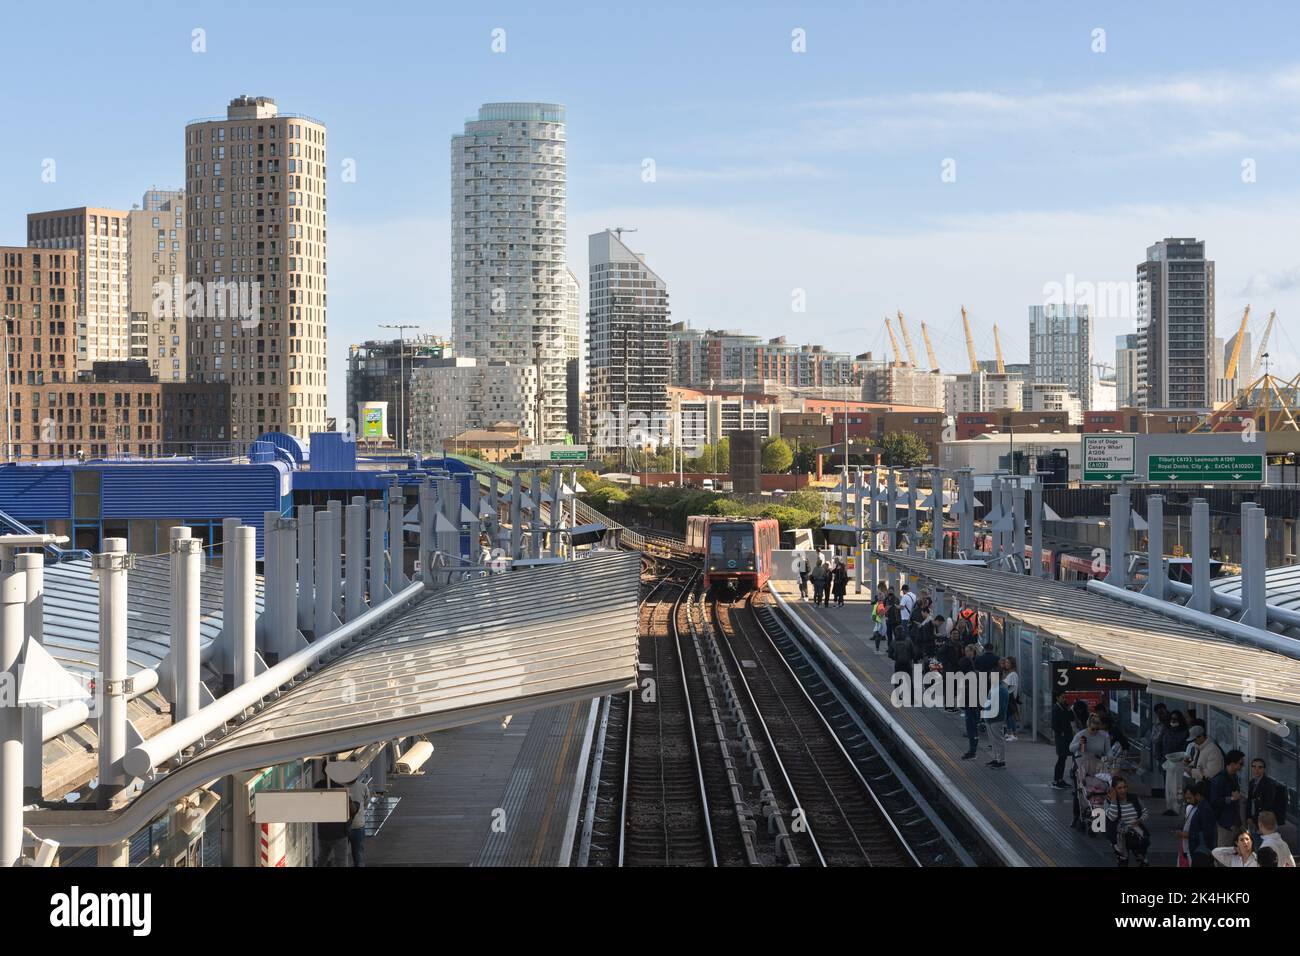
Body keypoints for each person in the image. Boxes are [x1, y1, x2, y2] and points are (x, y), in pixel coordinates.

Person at [1104, 775, 1151, 866]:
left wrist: (1139, 820)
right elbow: (1112, 817)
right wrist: (1113, 800)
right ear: (1114, 790)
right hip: (1119, 836)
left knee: (1142, 858)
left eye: (1125, 787)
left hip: (1135, 833)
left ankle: (1140, 858)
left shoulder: (1134, 798)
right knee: (1123, 861)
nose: (1123, 790)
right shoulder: (1108, 802)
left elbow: (1145, 813)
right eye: (1119, 788)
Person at [1209, 749, 1245, 848]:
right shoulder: (1219, 779)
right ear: (1232, 764)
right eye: (1240, 764)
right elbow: (1214, 801)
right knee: (1223, 851)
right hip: (1225, 824)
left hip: (1234, 822)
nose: (1242, 767)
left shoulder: (1233, 777)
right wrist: (1231, 798)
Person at [1158, 710, 1190, 815]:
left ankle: (1177, 808)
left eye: (1175, 719)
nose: (1173, 721)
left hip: (1178, 764)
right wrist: (1160, 758)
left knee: (1177, 787)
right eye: (1171, 719)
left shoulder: (1184, 732)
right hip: (1167, 763)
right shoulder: (1166, 730)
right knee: (1168, 787)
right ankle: (1169, 807)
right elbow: (1160, 743)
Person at [314, 779, 350, 867]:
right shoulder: (341, 789)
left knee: (322, 857)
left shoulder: (317, 786)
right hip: (339, 832)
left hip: (323, 832)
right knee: (341, 861)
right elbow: (349, 809)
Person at [1246, 757, 1285, 830]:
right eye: (1254, 767)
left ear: (1264, 769)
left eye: (1260, 767)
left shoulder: (1268, 784)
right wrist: (1248, 817)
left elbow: (1268, 805)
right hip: (1254, 818)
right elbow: (1249, 801)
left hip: (1264, 821)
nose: (1256, 770)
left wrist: (1258, 821)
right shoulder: (1252, 782)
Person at [1186, 780, 1218, 868]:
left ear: (1198, 795)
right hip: (1201, 849)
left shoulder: (1204, 809)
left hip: (1201, 851)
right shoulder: (1203, 807)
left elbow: (1207, 831)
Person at [959, 644, 981, 759]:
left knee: (971, 728)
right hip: (975, 703)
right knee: (973, 728)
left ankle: (972, 752)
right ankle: (972, 750)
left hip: (970, 704)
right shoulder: (976, 673)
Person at [1050, 690, 1074, 789]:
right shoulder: (1056, 708)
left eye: (1065, 697)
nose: (1064, 699)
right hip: (1061, 738)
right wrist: (1061, 732)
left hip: (1066, 737)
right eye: (1062, 697)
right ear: (1057, 698)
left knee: (1063, 758)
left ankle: (1059, 779)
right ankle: (1057, 779)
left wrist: (1069, 709)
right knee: (1061, 758)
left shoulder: (1063, 707)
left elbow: (1071, 718)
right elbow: (1054, 724)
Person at [984, 677, 1009, 769]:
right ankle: (996, 758)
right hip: (989, 717)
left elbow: (1000, 706)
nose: (990, 678)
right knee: (993, 741)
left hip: (996, 718)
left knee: (998, 740)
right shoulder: (994, 688)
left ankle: (1001, 761)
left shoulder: (1001, 690)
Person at [1175, 782, 1199, 867]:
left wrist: (1183, 834)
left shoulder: (1200, 810)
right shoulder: (1189, 807)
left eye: (1190, 797)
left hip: (1193, 846)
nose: (1188, 800)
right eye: (1187, 798)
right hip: (1185, 845)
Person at [347, 779, 368, 867]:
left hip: (344, 826)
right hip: (358, 824)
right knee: (358, 854)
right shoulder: (363, 787)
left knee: (342, 855)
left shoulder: (341, 787)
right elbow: (366, 803)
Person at [1002, 657, 1020, 741]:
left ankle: (1011, 733)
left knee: (1009, 715)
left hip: (1009, 696)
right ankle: (1012, 733)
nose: (1006, 664)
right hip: (1010, 696)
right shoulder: (1012, 674)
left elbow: (1009, 686)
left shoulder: (1012, 674)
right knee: (1010, 715)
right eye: (1005, 663)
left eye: (1008, 663)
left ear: (1012, 664)